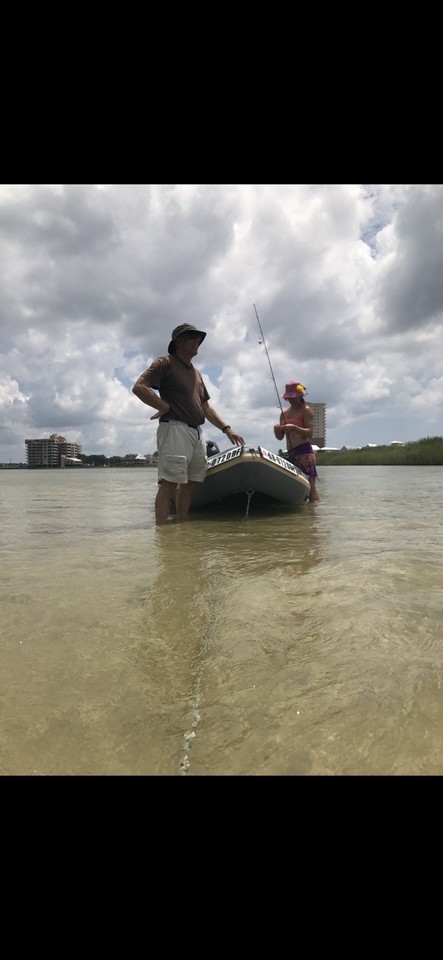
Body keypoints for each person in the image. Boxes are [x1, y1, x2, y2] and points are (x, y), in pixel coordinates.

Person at [132, 323, 245, 524]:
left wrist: (227, 429)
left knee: (191, 484)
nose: (197, 341)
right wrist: (163, 406)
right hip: (174, 428)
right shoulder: (165, 362)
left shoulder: (197, 374)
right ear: (177, 342)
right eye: (192, 336)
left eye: (199, 338)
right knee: (169, 483)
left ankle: (182, 527)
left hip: (197, 432)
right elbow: (140, 387)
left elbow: (206, 408)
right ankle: (162, 532)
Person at [273, 381, 320, 501]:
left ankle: (313, 515)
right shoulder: (284, 414)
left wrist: (294, 427)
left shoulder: (306, 410)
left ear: (300, 395)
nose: (291, 400)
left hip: (304, 451)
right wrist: (277, 430)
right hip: (291, 453)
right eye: (289, 397)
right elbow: (280, 438)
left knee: (311, 487)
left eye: (293, 397)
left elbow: (310, 432)